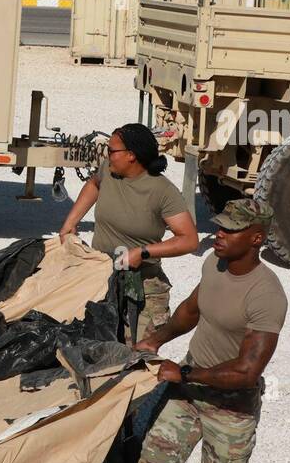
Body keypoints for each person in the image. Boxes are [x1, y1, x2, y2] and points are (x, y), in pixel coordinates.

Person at [96, 199, 287, 463]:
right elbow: (189, 311)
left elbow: (247, 371)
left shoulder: (267, 294)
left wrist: (183, 375)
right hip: (188, 396)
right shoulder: (214, 266)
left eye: (230, 230)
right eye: (219, 226)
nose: (218, 234)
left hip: (231, 408)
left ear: (256, 239)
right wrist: (157, 339)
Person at [59, 123, 199, 343]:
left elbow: (189, 240)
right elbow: (94, 184)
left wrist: (141, 252)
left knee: (137, 357)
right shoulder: (109, 170)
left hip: (142, 289)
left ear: (131, 156)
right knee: (97, 349)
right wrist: (70, 222)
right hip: (103, 278)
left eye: (112, 151)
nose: (107, 155)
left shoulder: (162, 191)